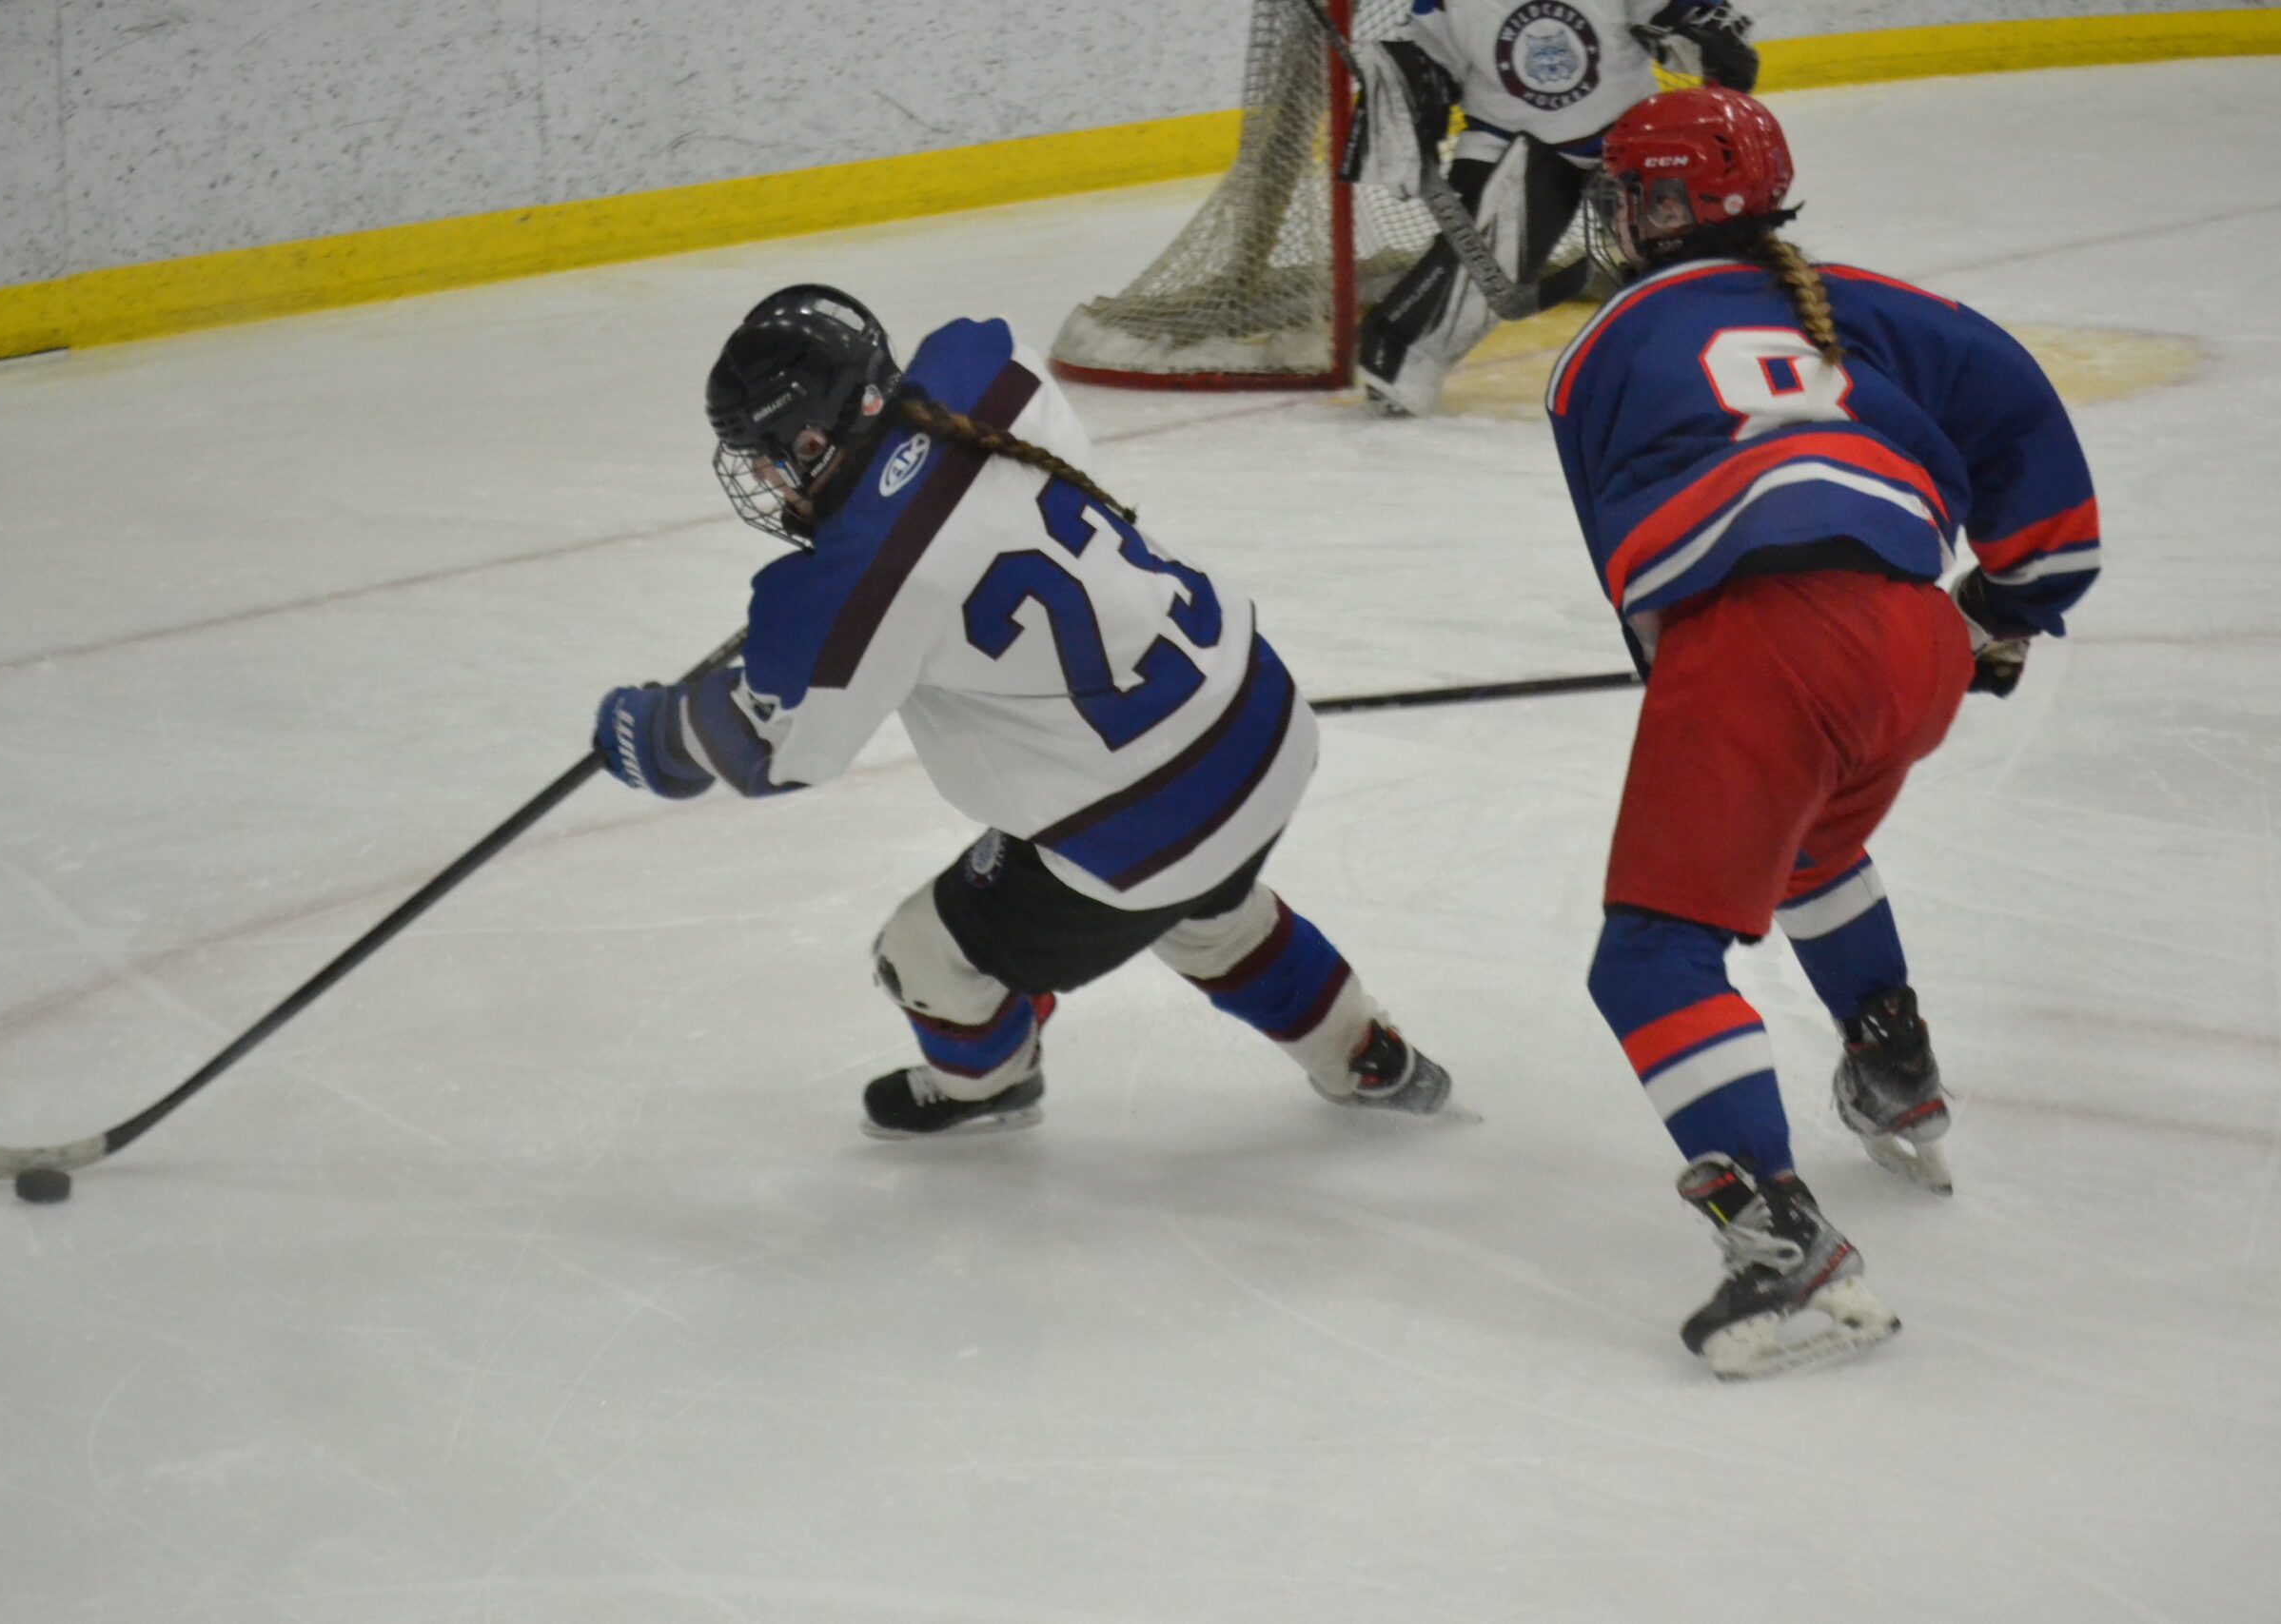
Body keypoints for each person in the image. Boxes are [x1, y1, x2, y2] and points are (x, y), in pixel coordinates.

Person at [591, 285, 1452, 1139]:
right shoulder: (985, 375)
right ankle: (1365, 1053)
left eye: (766, 455)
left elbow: (771, 749)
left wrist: (654, 735)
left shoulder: (842, 587)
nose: (762, 478)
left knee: (922, 957)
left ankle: (987, 1084)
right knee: (1207, 913)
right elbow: (930, 499)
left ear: (811, 439)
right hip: (1261, 715)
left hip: (1150, 822)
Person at [1546, 88, 2099, 1378]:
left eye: (1631, 194)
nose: (1617, 218)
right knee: (1806, 847)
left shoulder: (1604, 347)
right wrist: (2008, 610)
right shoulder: (1874, 304)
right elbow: (2028, 434)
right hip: (1917, 640)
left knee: (1649, 960)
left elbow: (1642, 582)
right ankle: (1893, 1060)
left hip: (1769, 644)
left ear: (1666, 210)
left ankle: (1774, 1230)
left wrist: (1709, 676)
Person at [1342, 1, 1758, 416]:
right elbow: (1427, 48)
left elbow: (1676, 17)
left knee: (1685, 240)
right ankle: (1404, 351)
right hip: (1506, 140)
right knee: (1486, 260)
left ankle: (1738, 347)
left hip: (1630, 132)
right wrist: (1404, 85)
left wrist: (1701, 28)